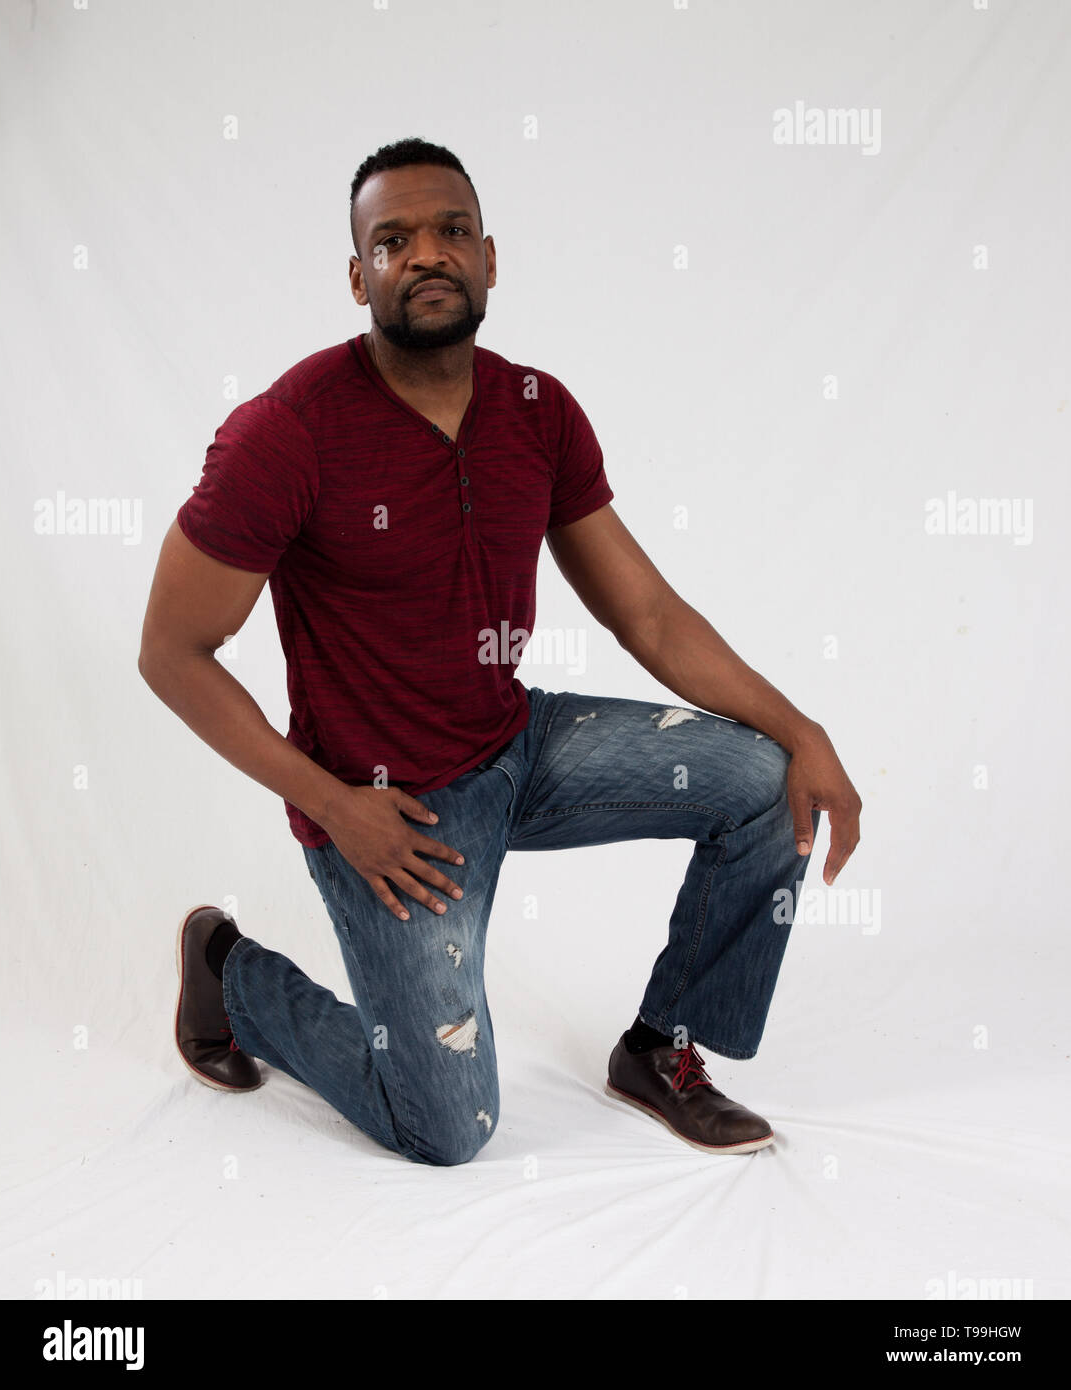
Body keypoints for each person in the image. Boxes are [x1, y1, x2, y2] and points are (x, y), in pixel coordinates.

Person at [140, 137, 862, 1167]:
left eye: (451, 231)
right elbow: (173, 651)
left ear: (489, 258)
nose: (426, 253)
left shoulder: (538, 411)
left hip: (516, 746)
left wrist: (805, 730)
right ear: (358, 276)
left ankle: (664, 1047)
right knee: (444, 1127)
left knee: (763, 778)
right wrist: (338, 807)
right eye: (393, 239)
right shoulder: (288, 432)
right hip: (391, 810)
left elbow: (647, 615)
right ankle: (233, 973)